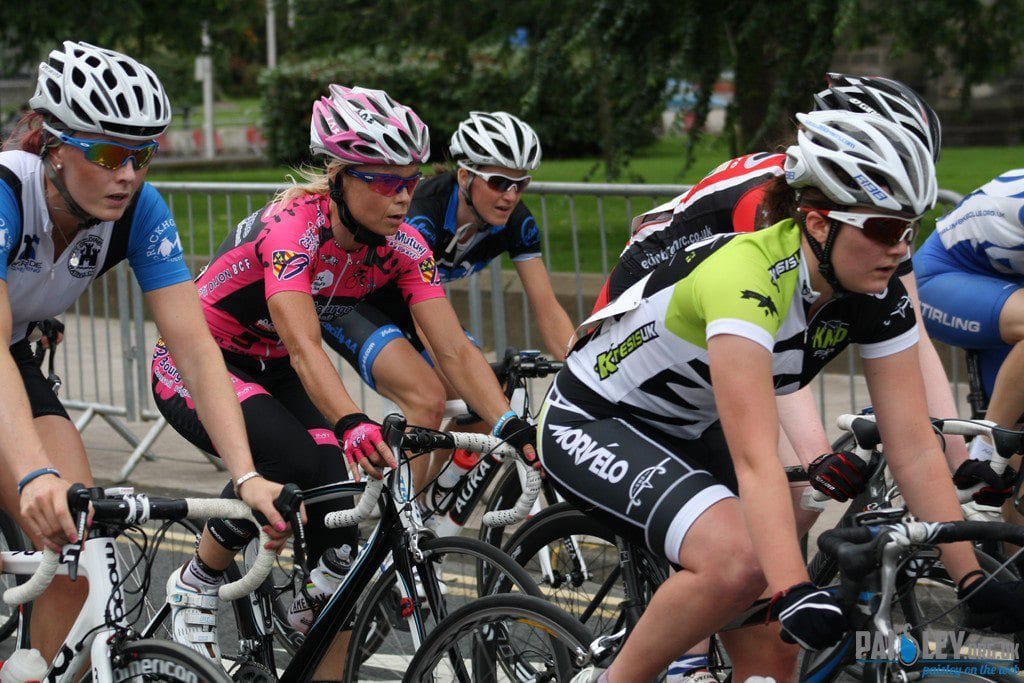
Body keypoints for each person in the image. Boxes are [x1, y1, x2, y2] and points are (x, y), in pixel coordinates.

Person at [554, 111, 1024, 683]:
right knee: (738, 562)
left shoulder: (873, 289)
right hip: (596, 420)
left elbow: (915, 448)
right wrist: (795, 587)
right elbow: (756, 459)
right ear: (819, 224)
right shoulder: (748, 277)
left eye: (911, 230)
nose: (900, 250)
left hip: (693, 431)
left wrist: (970, 576)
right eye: (882, 228)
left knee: (778, 659)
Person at [152, 84, 536, 676]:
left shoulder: (405, 245)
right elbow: (306, 345)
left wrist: (512, 425)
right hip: (202, 360)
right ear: (339, 177)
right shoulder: (290, 229)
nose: (401, 196)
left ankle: (320, 623)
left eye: (408, 180)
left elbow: (453, 348)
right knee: (288, 459)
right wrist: (352, 420)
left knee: (336, 520)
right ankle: (196, 581)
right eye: (382, 180)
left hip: (272, 365)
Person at [0, 41, 289, 663]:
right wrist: (31, 472)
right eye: (107, 152)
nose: (127, 174)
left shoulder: (137, 212)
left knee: (70, 545)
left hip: (11, 355)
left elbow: (196, 351)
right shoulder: (4, 192)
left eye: (142, 154)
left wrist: (245, 475)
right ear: (51, 145)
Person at [320, 111, 574, 499]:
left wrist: (581, 370)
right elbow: (432, 333)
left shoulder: (516, 222)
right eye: (500, 182)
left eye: (521, 185)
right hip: (357, 304)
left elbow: (546, 307)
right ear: (465, 176)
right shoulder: (422, 213)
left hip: (416, 306)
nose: (510, 195)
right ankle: (400, 529)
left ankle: (430, 504)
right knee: (428, 398)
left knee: (488, 407)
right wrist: (468, 381)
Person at [914, 169, 1024, 503]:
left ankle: (997, 544)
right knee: (1003, 450)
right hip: (943, 276)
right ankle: (982, 454)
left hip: (1006, 287)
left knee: (1016, 466)